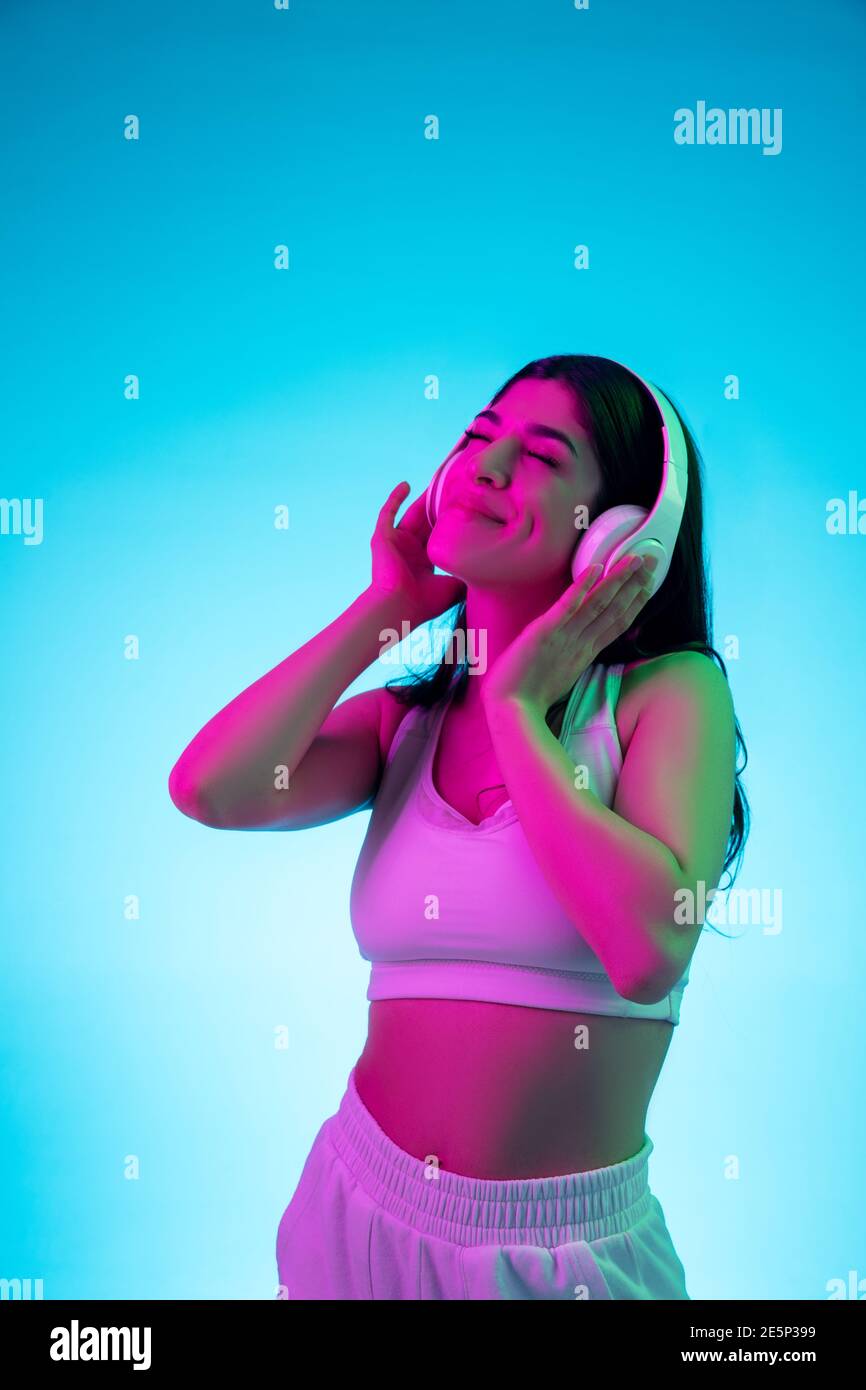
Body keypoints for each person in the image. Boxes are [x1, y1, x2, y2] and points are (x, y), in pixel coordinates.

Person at [168, 353, 750, 1300]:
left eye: (542, 456)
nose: (486, 466)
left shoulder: (667, 695)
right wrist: (382, 613)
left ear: (620, 534)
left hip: (558, 1259)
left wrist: (518, 708)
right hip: (350, 1215)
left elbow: (649, 950)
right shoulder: (408, 724)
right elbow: (211, 789)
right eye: (479, 437)